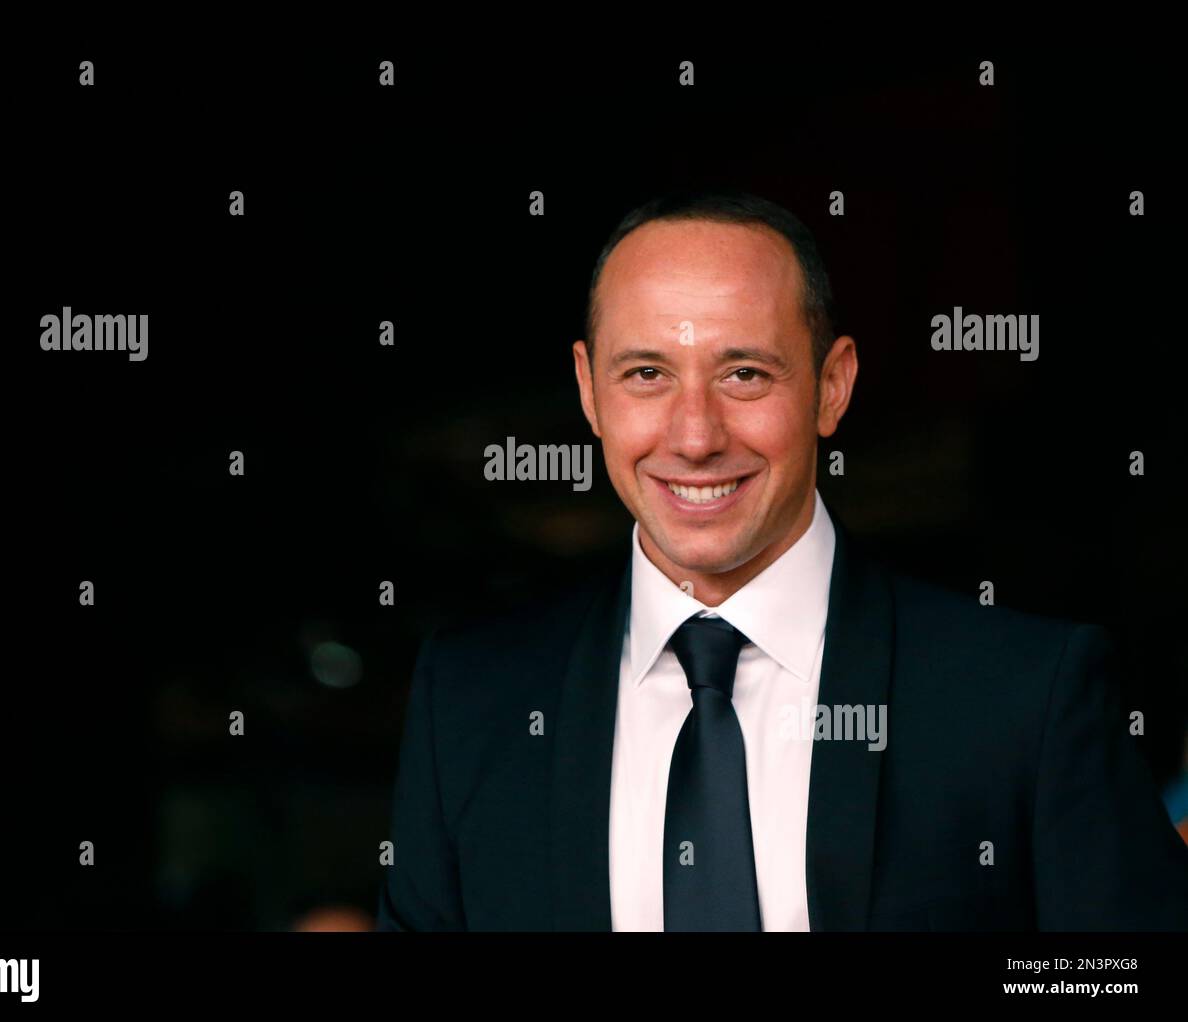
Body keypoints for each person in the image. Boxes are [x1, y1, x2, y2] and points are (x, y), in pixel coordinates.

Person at [376, 189, 1188, 931]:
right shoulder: (471, 704)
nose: (695, 437)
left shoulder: (1027, 695)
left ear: (833, 385)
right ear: (589, 390)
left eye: (745, 373)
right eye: (648, 374)